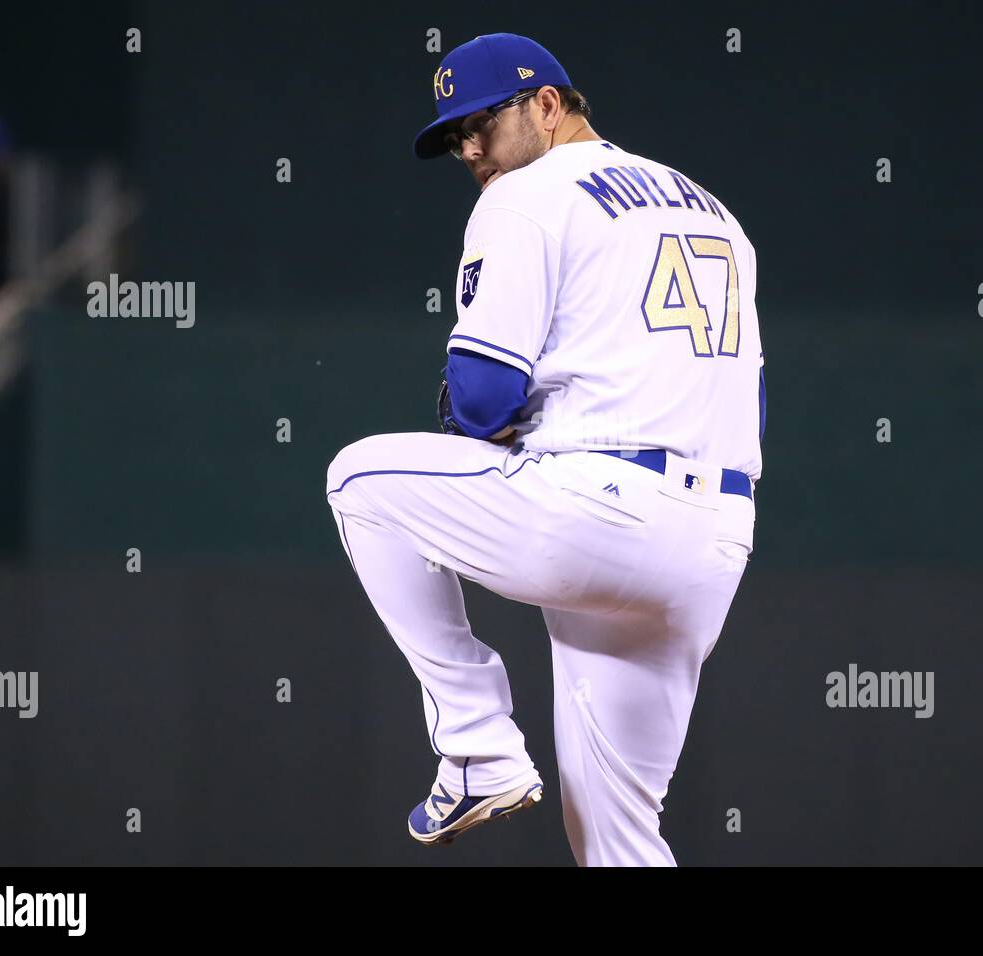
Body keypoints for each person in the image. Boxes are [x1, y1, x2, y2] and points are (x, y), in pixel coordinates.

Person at [326, 32, 765, 866]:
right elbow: (753, 398)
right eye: (455, 135)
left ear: (550, 104)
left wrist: (488, 435)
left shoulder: (525, 196)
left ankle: (478, 748)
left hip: (599, 514)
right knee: (617, 839)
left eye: (482, 122)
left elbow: (485, 397)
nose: (470, 148)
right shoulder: (714, 210)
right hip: (716, 541)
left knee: (361, 479)